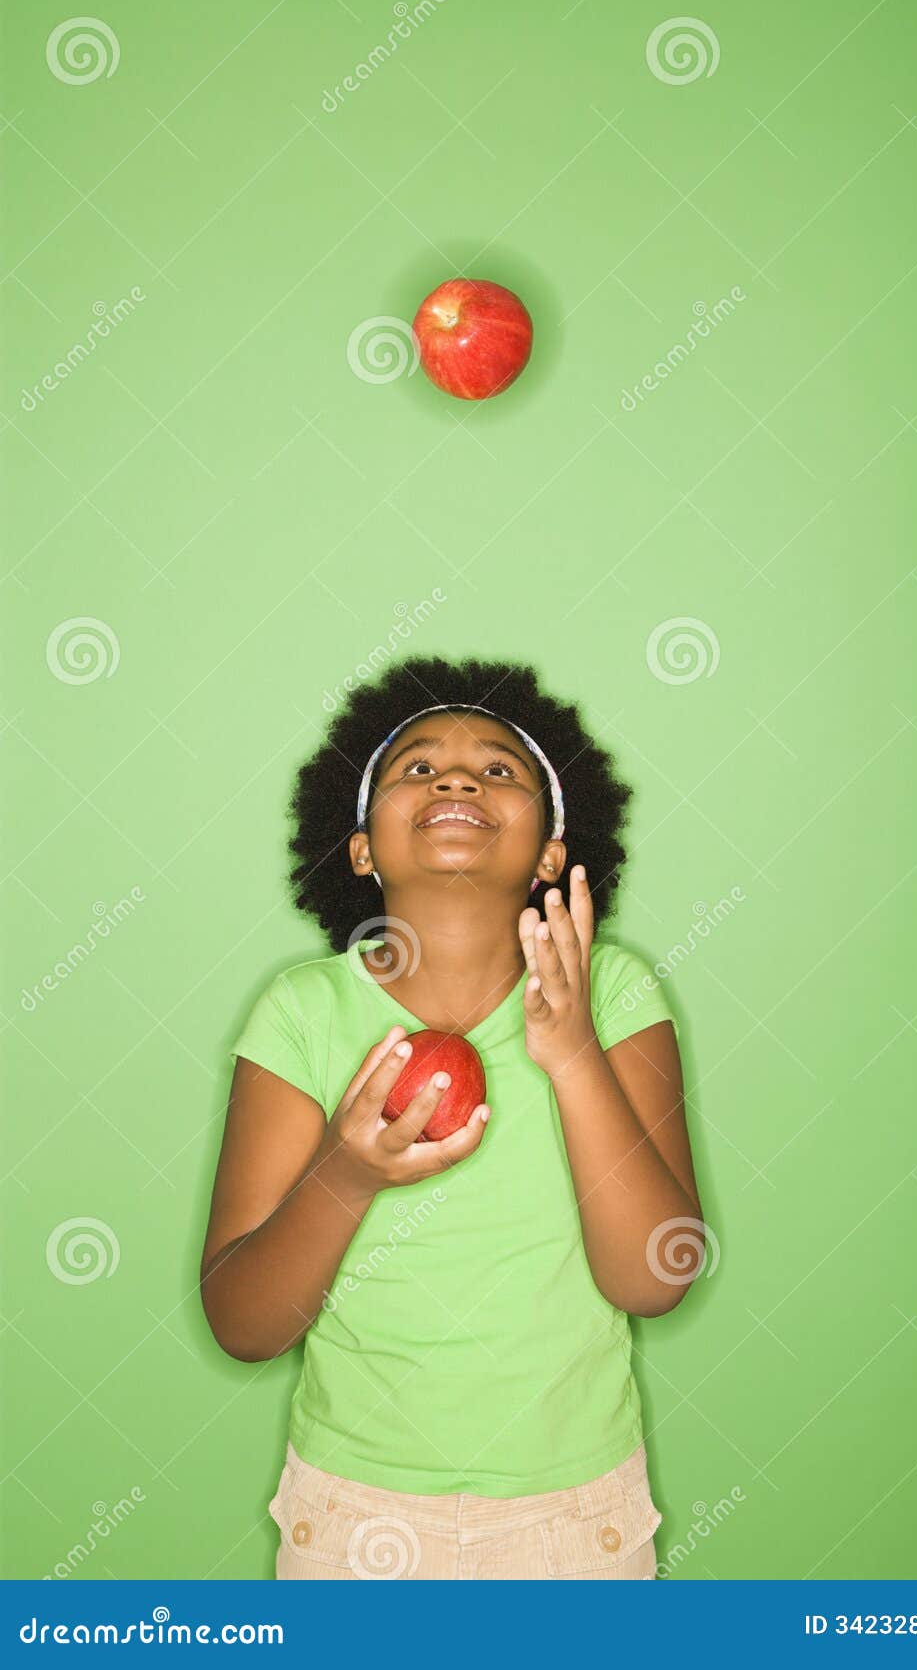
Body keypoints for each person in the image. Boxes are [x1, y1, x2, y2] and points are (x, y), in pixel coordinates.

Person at [200, 655, 705, 1579]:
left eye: (501, 769)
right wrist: (347, 1172)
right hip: (352, 1520)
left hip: (576, 1520)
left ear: (553, 848)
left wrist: (571, 1053)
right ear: (360, 847)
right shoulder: (302, 1013)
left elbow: (654, 1277)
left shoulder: (615, 995)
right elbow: (243, 1324)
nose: (458, 777)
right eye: (416, 768)